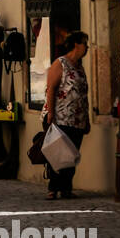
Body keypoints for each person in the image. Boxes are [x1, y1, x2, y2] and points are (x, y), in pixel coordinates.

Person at [42, 31, 91, 200]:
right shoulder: (60, 63)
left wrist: (87, 119)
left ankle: (66, 188)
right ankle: (53, 188)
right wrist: (50, 114)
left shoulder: (79, 67)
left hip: (78, 119)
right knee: (58, 154)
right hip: (61, 116)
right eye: (85, 43)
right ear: (76, 44)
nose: (87, 47)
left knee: (72, 155)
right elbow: (51, 89)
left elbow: (84, 95)